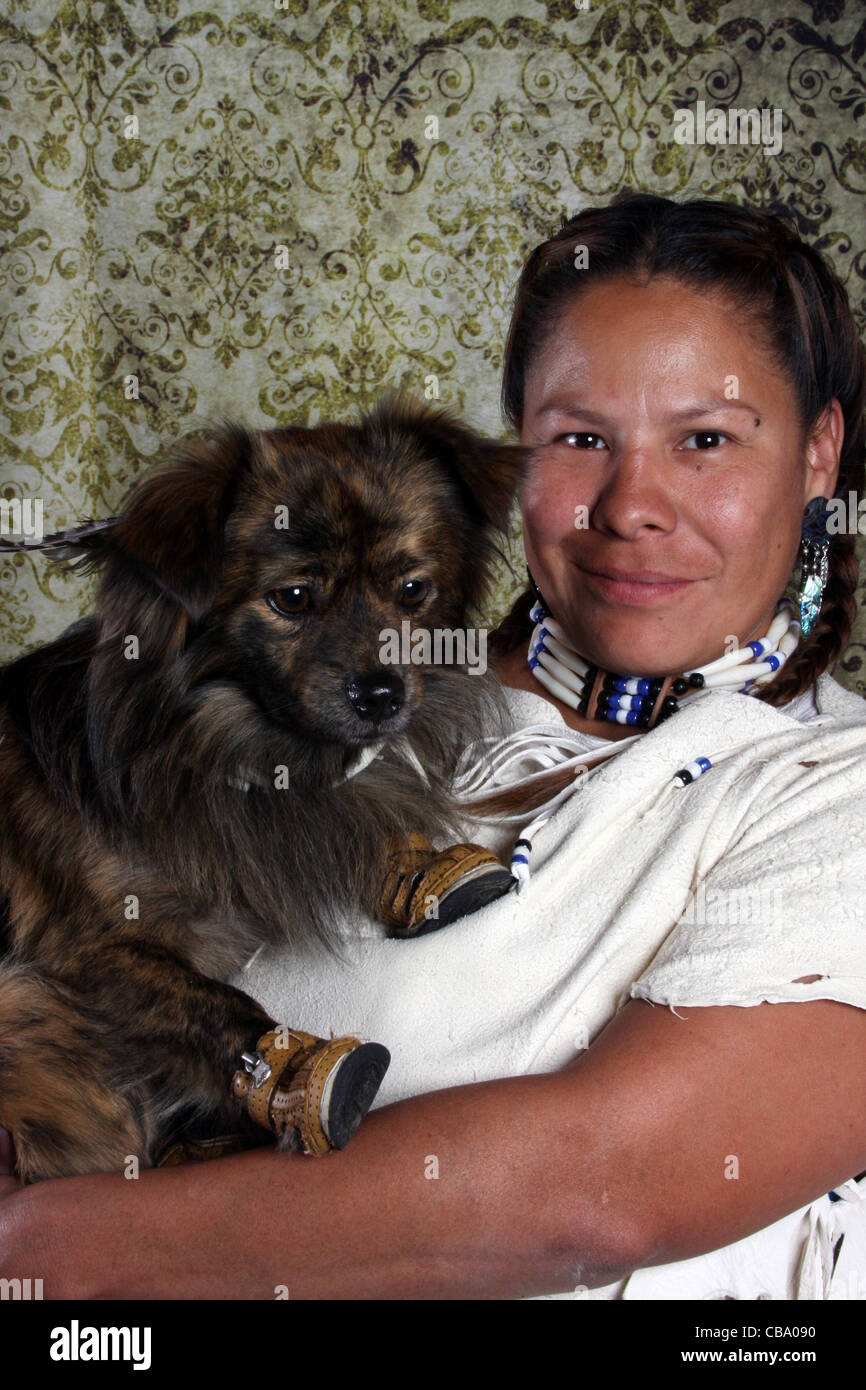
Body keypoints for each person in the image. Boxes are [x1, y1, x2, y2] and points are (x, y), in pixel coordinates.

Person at [1, 190, 865, 1300]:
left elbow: (595, 1195)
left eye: (705, 438)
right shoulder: (326, 723)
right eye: (578, 438)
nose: (632, 502)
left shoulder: (829, 795)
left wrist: (50, 1246)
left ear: (817, 453)